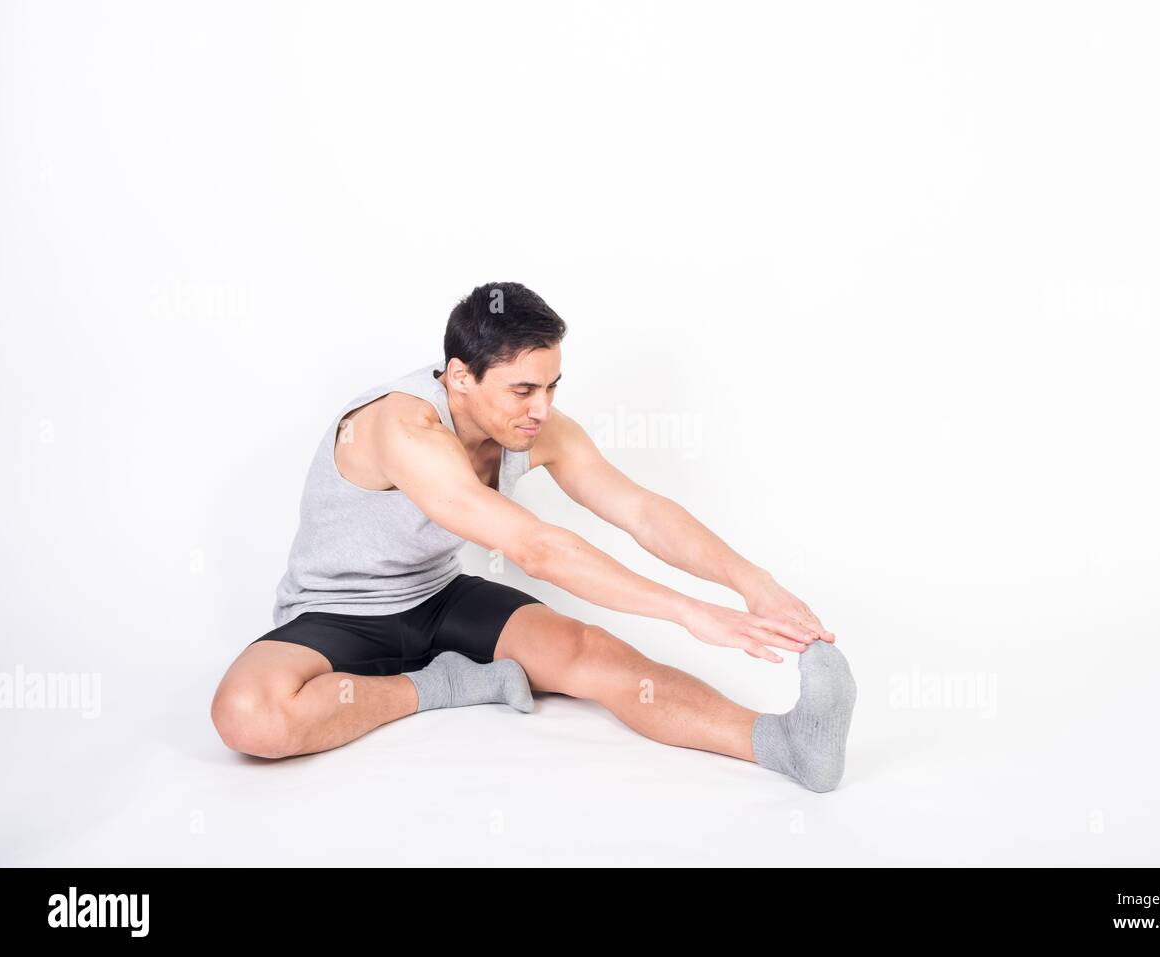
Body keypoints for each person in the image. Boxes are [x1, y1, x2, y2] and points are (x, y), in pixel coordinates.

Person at [210, 282, 857, 791]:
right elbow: (535, 548)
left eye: (551, 386)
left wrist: (755, 586)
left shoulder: (534, 425)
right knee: (248, 715)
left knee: (590, 651)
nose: (541, 409)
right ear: (459, 377)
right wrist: (691, 612)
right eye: (522, 389)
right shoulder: (400, 428)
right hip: (336, 611)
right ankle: (448, 685)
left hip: (439, 597)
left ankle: (785, 745)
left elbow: (641, 510)